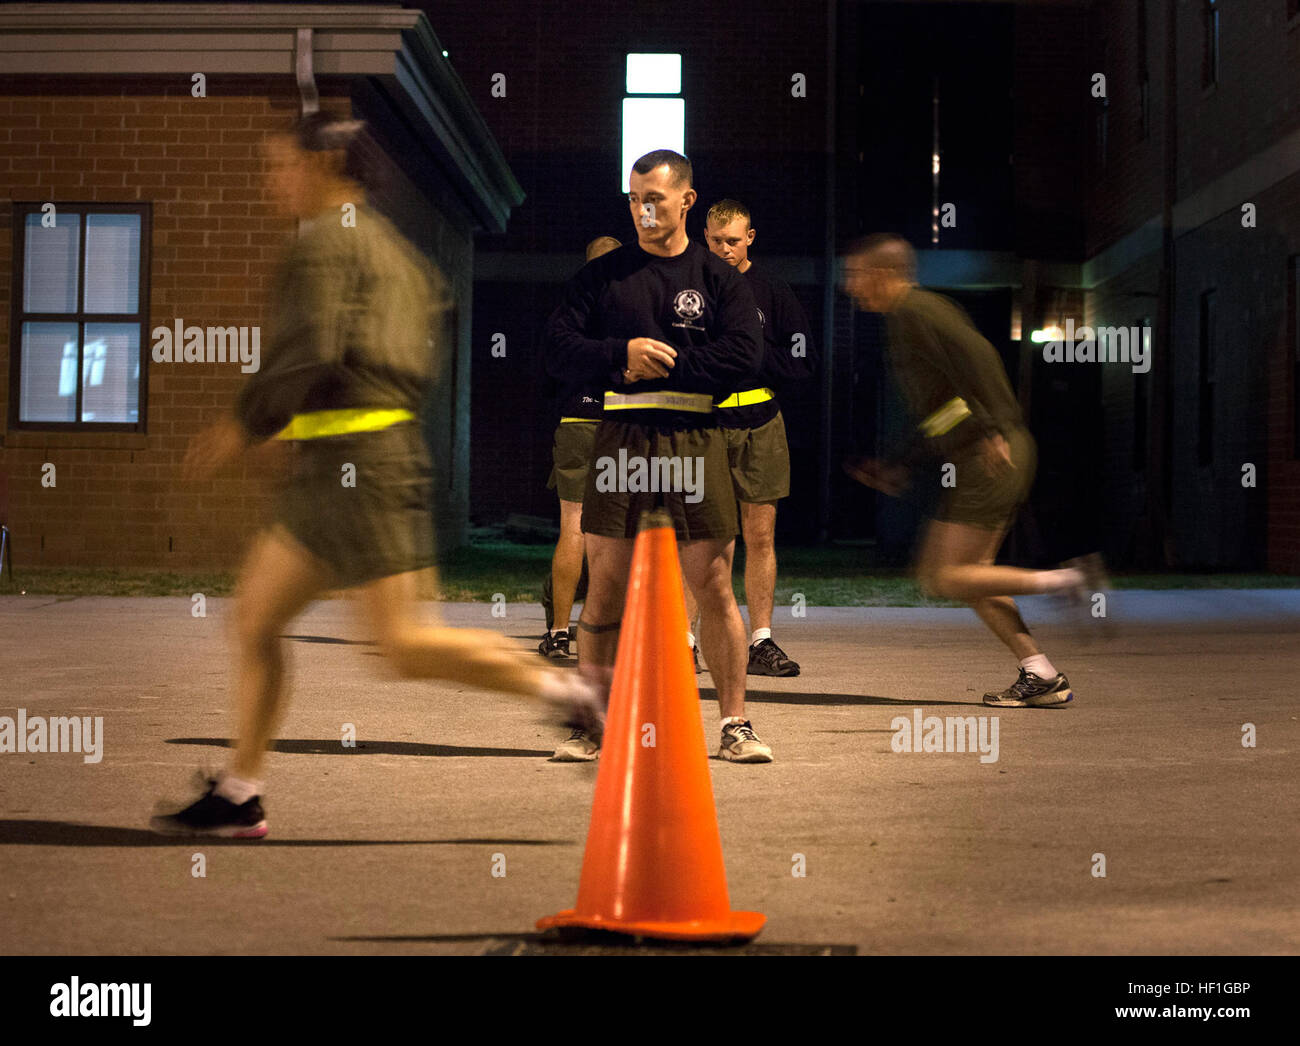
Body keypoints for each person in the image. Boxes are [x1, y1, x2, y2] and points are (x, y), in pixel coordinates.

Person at [151, 113, 597, 837]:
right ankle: (240, 793)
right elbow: (394, 357)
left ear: (327, 166)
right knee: (260, 619)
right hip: (364, 458)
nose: (273, 182)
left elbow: (313, 346)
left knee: (402, 646)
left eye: (281, 166)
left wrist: (249, 423)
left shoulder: (325, 244)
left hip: (352, 469)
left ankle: (569, 690)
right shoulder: (395, 250)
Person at [542, 149, 773, 762]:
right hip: (620, 439)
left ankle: (735, 726)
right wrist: (620, 353)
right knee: (607, 587)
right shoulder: (603, 276)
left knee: (715, 584)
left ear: (687, 201)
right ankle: (594, 724)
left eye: (656, 199)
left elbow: (746, 357)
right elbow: (557, 347)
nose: (644, 210)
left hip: (696, 439)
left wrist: (667, 362)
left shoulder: (719, 279)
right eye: (635, 199)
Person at [840, 233, 1105, 708]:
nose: (851, 287)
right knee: (974, 577)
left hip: (991, 455)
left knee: (943, 576)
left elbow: (978, 358)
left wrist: (992, 429)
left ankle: (1065, 582)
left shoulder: (920, 311)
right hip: (983, 453)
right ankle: (1040, 673)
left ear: (884, 274)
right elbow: (941, 411)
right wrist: (901, 462)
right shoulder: (905, 319)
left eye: (856, 275)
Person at [682, 198, 814, 678]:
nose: (723, 250)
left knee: (760, 534)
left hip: (761, 422)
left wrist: (750, 357)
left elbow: (802, 360)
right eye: (715, 241)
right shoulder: (690, 287)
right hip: (705, 425)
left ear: (750, 238)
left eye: (733, 241)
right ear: (704, 238)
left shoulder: (772, 290)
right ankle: (685, 642)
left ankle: (761, 641)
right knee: (703, 538)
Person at [538, 236, 621, 660]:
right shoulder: (634, 304)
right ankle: (616, 632)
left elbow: (549, 369)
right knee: (619, 532)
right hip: (621, 425)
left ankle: (558, 631)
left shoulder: (569, 308)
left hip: (575, 421)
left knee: (572, 526)